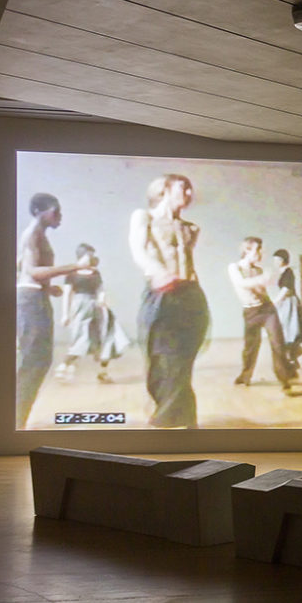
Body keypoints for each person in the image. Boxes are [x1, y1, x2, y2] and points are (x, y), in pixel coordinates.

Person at [129, 173, 209, 427]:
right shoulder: (144, 217)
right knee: (164, 360)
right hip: (162, 296)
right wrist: (159, 272)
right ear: (163, 190)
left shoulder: (190, 228)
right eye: (183, 188)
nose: (189, 194)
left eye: (190, 189)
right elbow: (139, 250)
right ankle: (172, 422)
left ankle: (177, 423)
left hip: (191, 296)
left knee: (183, 360)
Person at [16, 193, 95, 428]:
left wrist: (48, 288)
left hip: (34, 297)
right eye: (55, 211)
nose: (59, 216)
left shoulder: (37, 235)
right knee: (35, 360)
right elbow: (32, 272)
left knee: (37, 360)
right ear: (39, 211)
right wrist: (76, 267)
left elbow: (23, 269)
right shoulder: (33, 234)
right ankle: (16, 421)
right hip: (31, 301)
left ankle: (17, 418)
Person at [227, 237, 295, 392]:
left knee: (278, 343)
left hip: (266, 309)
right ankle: (245, 375)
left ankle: (284, 379)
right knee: (251, 346)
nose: (260, 253)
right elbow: (242, 284)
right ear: (247, 250)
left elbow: (261, 289)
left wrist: (264, 282)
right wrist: (262, 279)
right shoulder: (234, 267)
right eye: (257, 249)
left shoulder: (258, 270)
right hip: (251, 311)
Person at [56, 243, 113, 384]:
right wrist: (65, 314)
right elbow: (67, 294)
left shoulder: (95, 273)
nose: (92, 257)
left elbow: (101, 289)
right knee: (80, 338)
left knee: (102, 338)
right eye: (89, 255)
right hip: (80, 306)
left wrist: (102, 300)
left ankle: (102, 372)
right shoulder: (72, 274)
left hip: (96, 306)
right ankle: (64, 366)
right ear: (81, 256)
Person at [270, 248, 302, 372]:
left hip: (289, 303)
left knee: (289, 330)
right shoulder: (283, 272)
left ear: (283, 260)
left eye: (277, 260)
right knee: (284, 330)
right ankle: (291, 357)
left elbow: (286, 289)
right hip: (285, 303)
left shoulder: (288, 272)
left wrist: (275, 302)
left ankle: (291, 357)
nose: (275, 262)